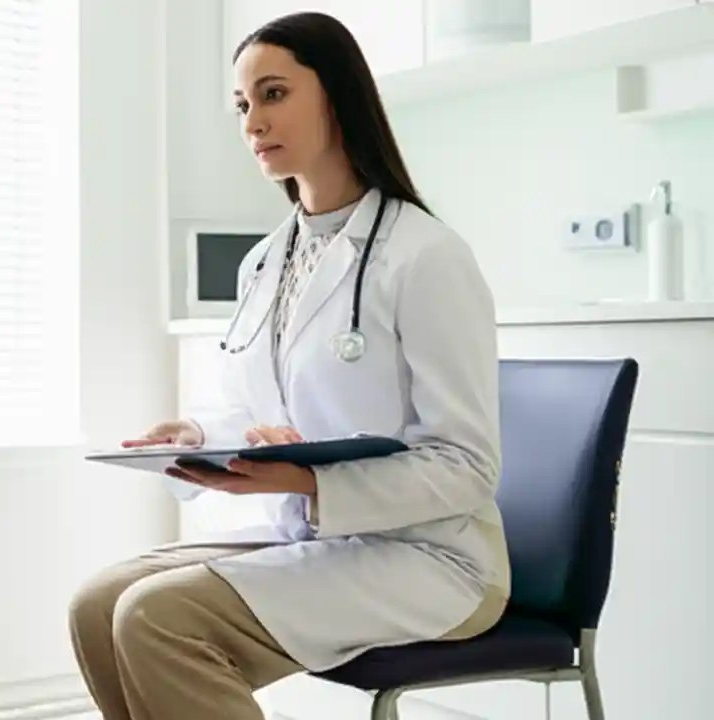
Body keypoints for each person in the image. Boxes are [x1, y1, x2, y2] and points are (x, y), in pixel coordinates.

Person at [69, 12, 509, 720]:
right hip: (311, 536)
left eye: (273, 95)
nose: (252, 123)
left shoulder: (426, 257)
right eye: (243, 105)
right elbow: (258, 407)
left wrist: (308, 479)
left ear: (335, 95)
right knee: (97, 606)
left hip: (431, 557)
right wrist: (194, 437)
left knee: (157, 618)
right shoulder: (266, 261)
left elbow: (466, 465)